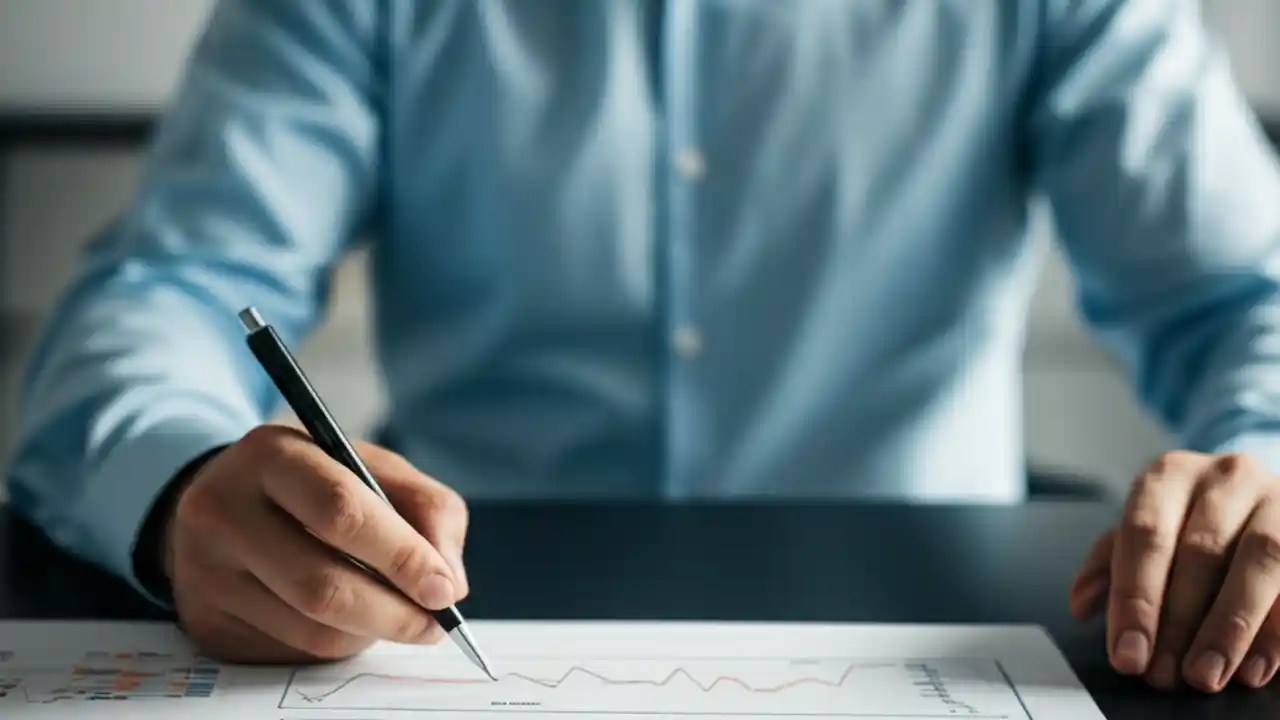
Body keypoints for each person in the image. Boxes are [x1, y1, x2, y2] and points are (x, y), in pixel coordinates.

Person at [9, 0, 1280, 693]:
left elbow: (1243, 292)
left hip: (930, 615)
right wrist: (182, 491)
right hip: (437, 612)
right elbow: (167, 292)